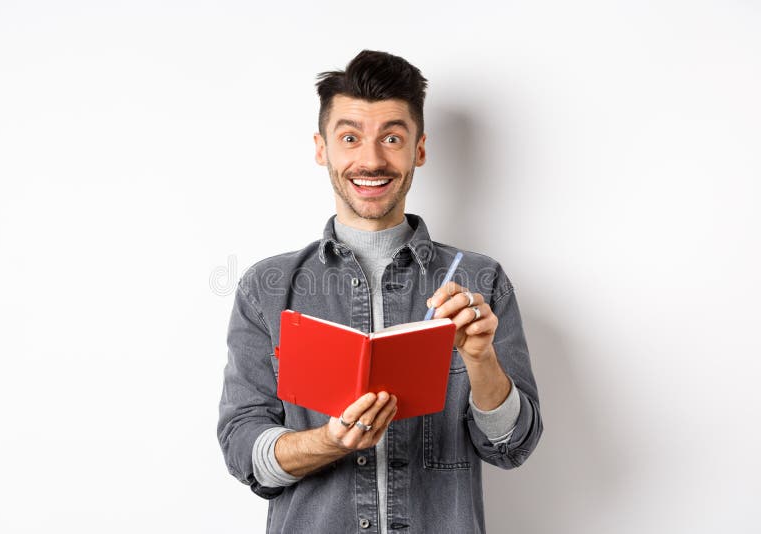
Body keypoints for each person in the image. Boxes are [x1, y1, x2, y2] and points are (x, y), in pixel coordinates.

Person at [217, 50, 542, 533]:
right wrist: (330, 441)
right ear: (322, 148)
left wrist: (481, 360)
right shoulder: (267, 288)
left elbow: (512, 445)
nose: (370, 159)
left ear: (420, 149)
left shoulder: (481, 281)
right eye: (350, 138)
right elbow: (243, 448)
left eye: (392, 138)